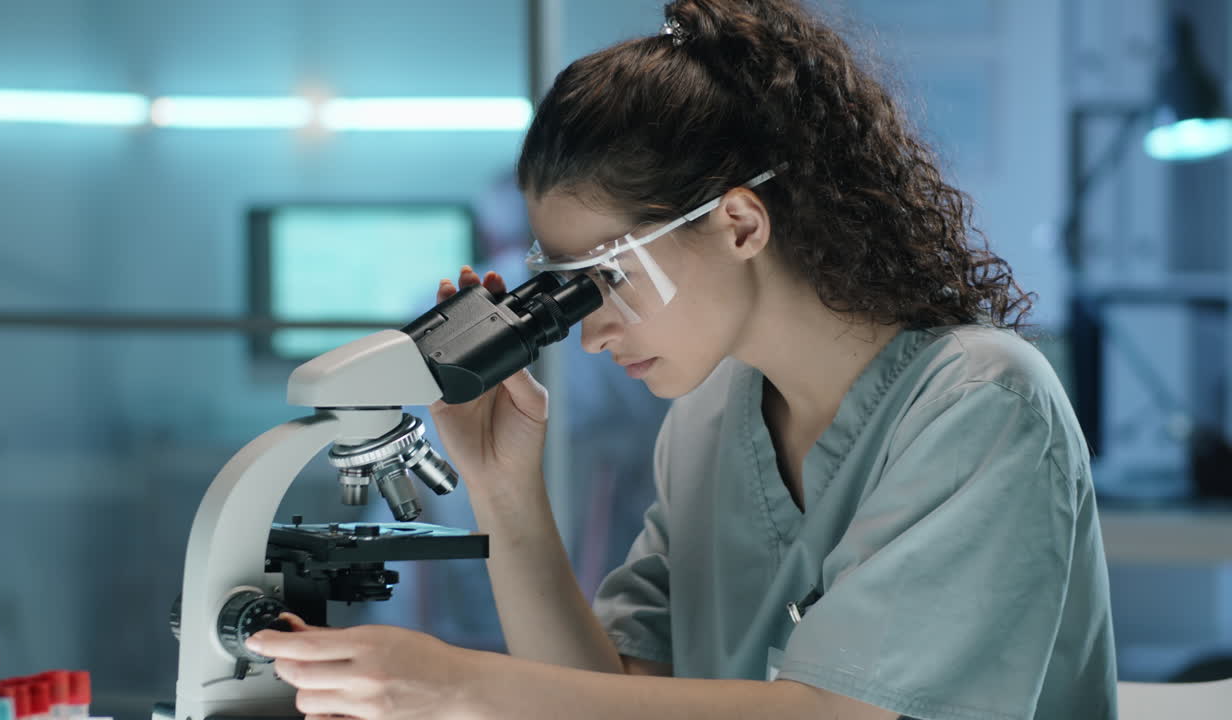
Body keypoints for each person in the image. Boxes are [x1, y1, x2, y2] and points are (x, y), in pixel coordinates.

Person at [247, 1, 1118, 718]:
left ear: (740, 222)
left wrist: (455, 684)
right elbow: (609, 700)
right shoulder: (710, 419)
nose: (589, 333)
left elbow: (843, 713)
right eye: (562, 290)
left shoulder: (983, 402)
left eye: (601, 281)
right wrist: (502, 484)